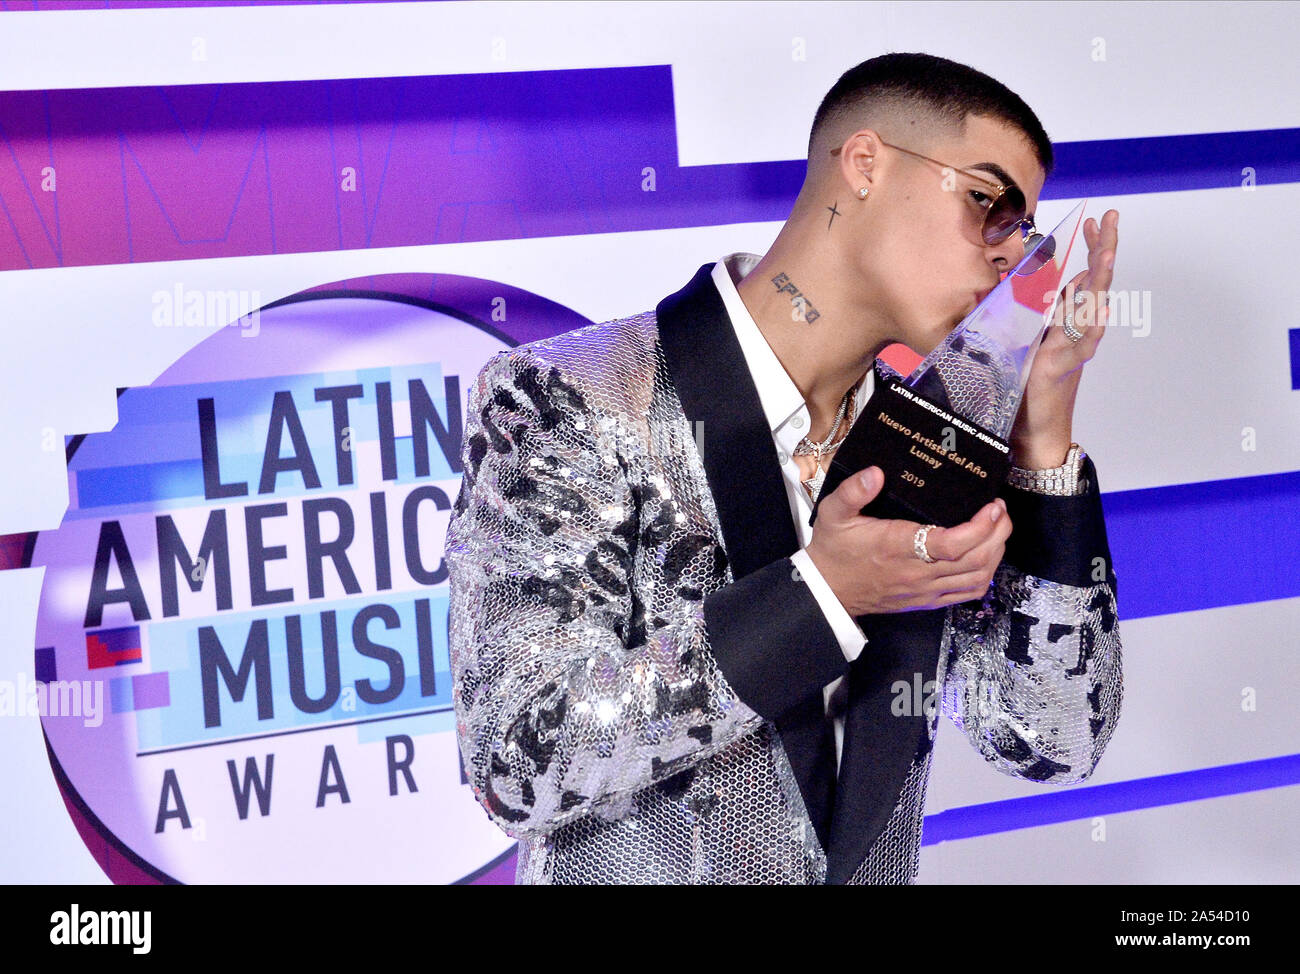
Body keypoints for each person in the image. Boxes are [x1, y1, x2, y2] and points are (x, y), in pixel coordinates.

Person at [444, 51, 1123, 884]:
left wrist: (1041, 447)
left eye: (1023, 230)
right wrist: (822, 597)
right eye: (990, 203)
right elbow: (516, 757)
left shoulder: (937, 433)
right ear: (866, 164)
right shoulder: (570, 396)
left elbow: (1051, 742)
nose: (1009, 252)